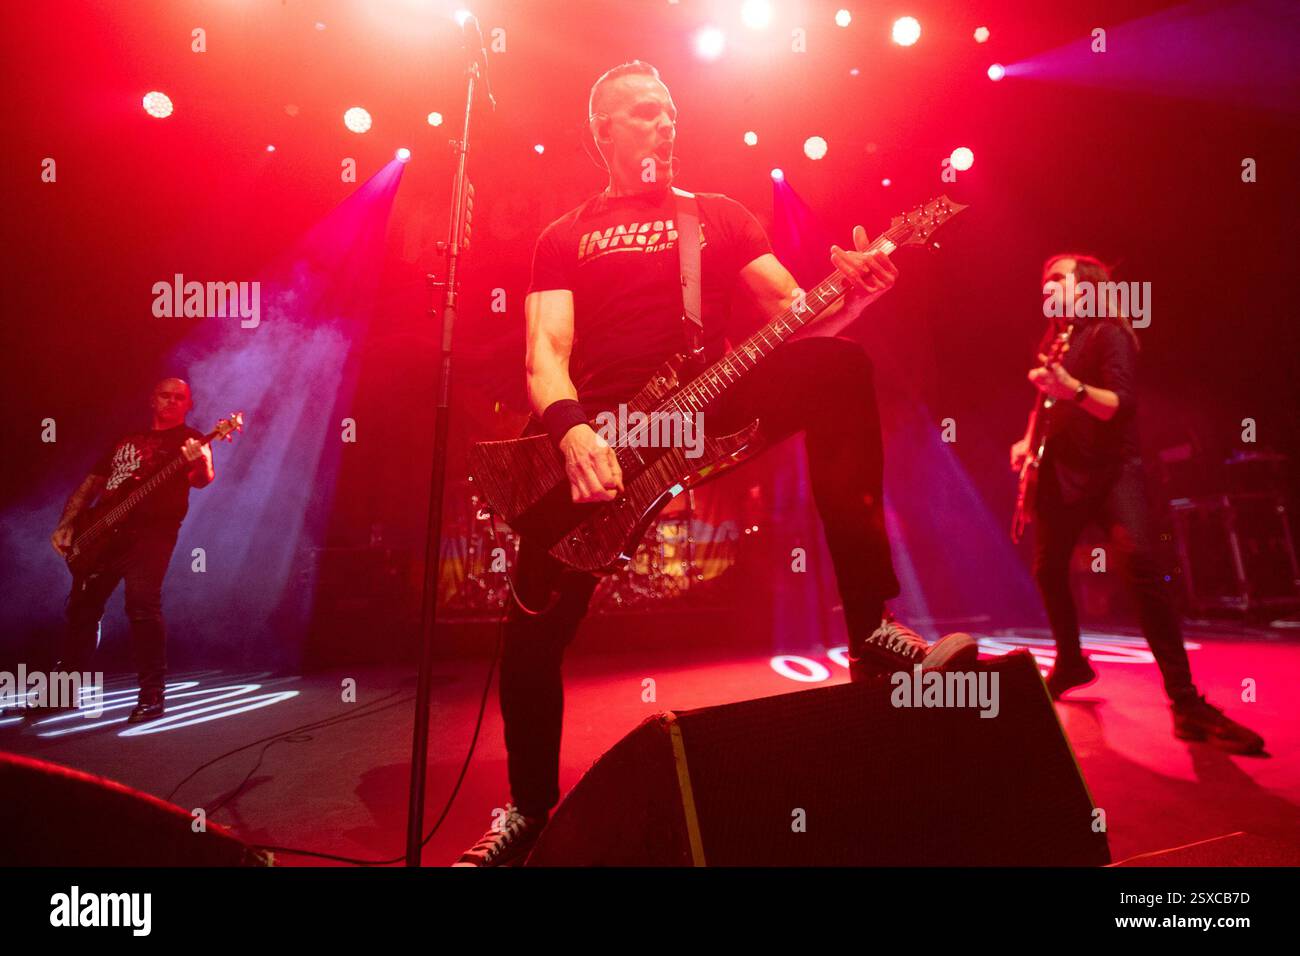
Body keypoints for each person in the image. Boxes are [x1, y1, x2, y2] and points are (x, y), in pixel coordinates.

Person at [454, 61, 976, 867]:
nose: (664, 122)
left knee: (840, 372)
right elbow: (543, 355)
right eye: (642, 112)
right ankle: (526, 812)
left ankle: (869, 626)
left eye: (669, 110)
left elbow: (798, 324)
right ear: (604, 131)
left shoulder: (719, 218)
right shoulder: (563, 236)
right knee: (533, 631)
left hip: (706, 405)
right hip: (602, 439)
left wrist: (859, 292)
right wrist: (571, 433)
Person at [1012, 253, 1263, 754]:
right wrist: (1027, 440)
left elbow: (1120, 405)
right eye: (1044, 280)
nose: (1047, 286)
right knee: (1047, 569)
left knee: (1141, 567)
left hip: (1111, 474)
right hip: (1062, 473)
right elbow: (1045, 399)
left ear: (1085, 288)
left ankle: (1186, 702)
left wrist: (1074, 388)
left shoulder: (1110, 333)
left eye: (1057, 279)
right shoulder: (1054, 338)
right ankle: (1071, 662)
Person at [44, 377, 214, 724]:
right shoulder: (125, 440)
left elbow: (202, 479)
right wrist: (66, 524)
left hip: (152, 536)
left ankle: (152, 696)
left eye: (179, 398)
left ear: (188, 404)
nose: (171, 401)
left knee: (141, 605)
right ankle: (63, 691)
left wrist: (200, 461)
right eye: (165, 395)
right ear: (153, 399)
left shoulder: (191, 440)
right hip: (105, 533)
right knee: (82, 609)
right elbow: (90, 485)